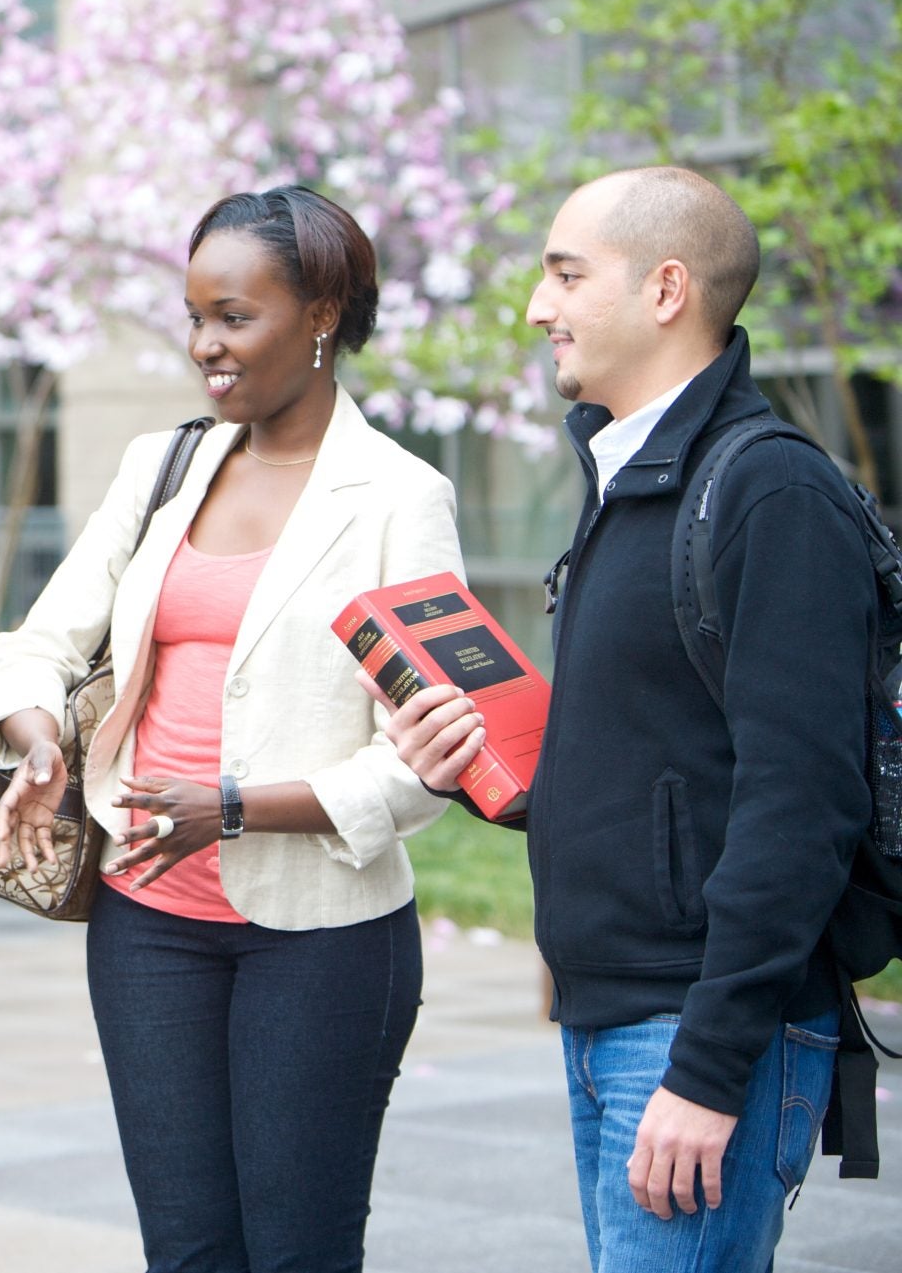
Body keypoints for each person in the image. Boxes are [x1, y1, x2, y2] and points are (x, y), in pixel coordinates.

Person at [369, 167, 868, 1272]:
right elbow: (651, 767)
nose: (535, 308)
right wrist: (471, 768)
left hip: (696, 1030)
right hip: (614, 1021)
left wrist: (707, 1066)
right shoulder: (626, 477)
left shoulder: (768, 492)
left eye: (564, 275)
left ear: (665, 290)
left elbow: (802, 806)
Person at [0, 186, 465, 1272]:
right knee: (188, 1250)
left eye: (234, 316)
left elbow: (425, 759)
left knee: (296, 1252)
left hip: (321, 940)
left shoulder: (399, 497)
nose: (205, 343)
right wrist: (40, 736)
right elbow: (39, 641)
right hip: (147, 928)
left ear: (321, 314)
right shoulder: (161, 465)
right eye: (195, 316)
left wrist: (236, 808)